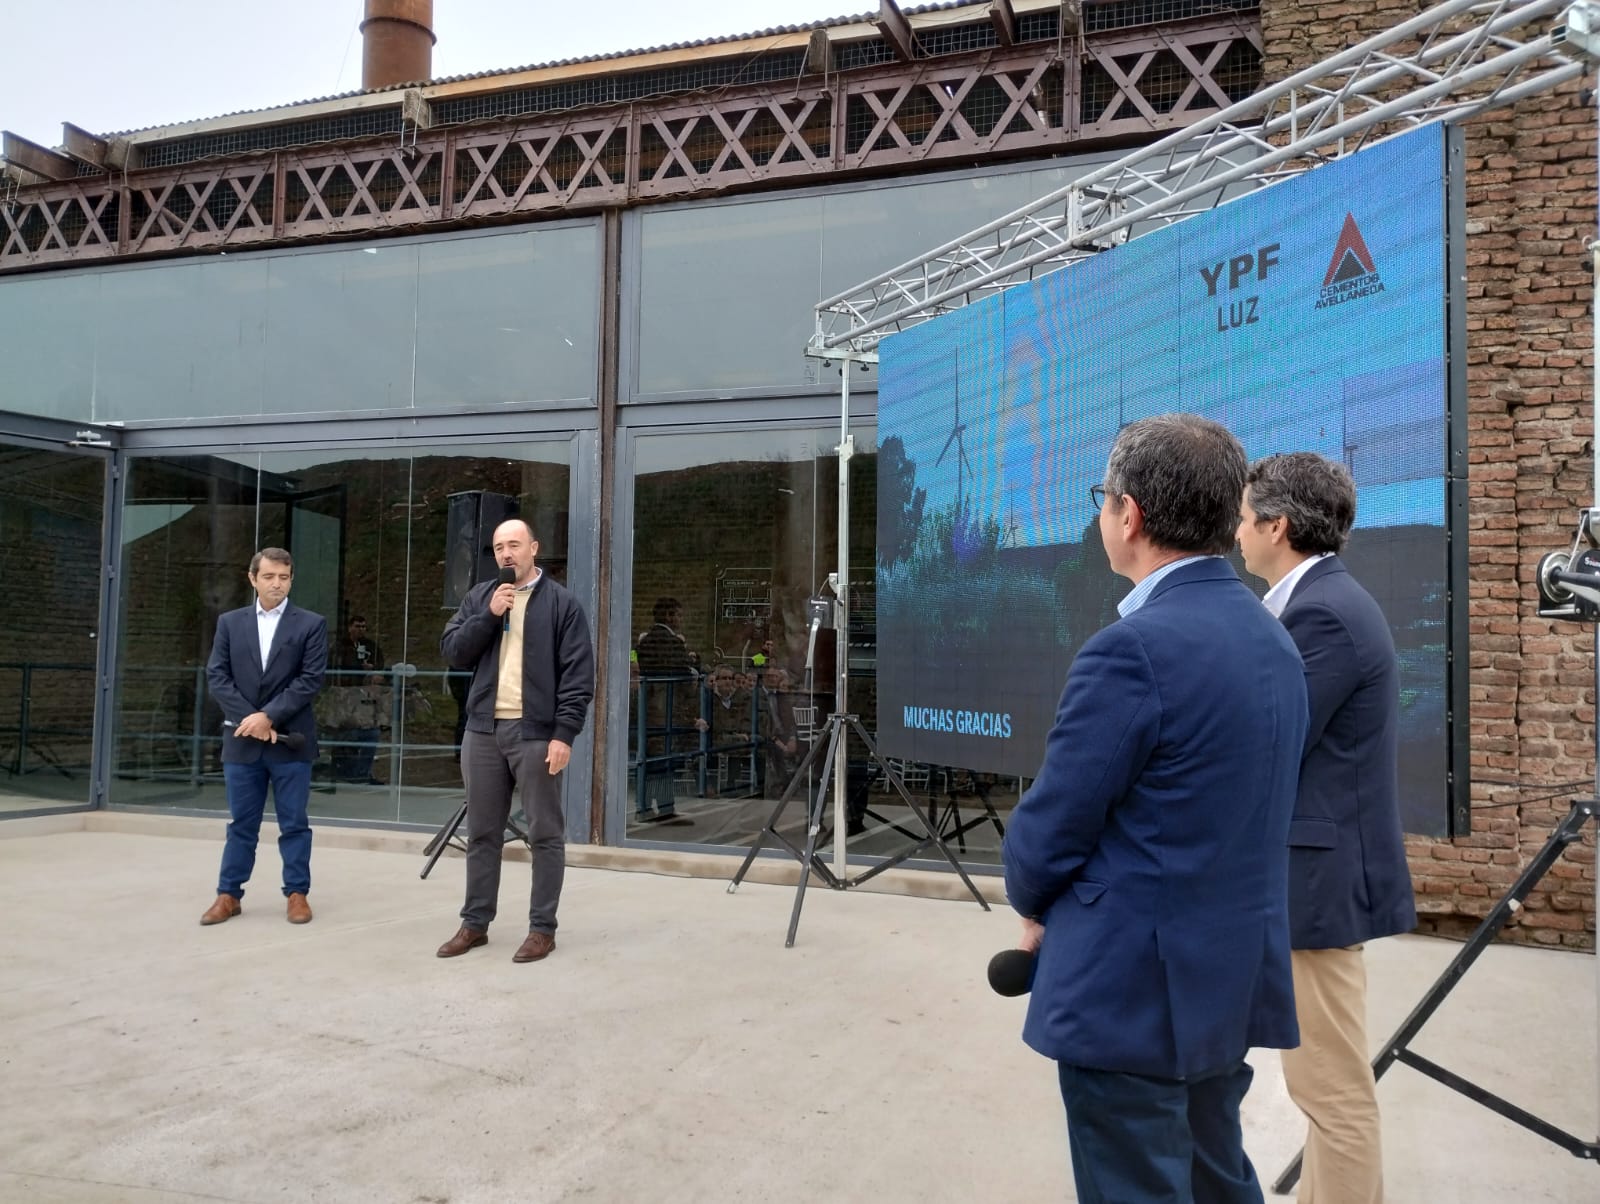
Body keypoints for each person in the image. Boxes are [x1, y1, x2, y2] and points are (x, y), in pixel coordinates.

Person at [1001, 414, 1309, 1203]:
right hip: (1224, 980)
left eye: (1104, 500)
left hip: (1132, 995)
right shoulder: (1272, 637)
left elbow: (1054, 824)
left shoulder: (1131, 650)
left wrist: (1036, 904)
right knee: (1215, 1176)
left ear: (1128, 515)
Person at [1238, 452, 1416, 1204]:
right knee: (1323, 1085)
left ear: (1277, 526)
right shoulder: (1316, 602)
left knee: (1332, 1092)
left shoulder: (1324, 615)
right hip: (1309, 876)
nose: (1236, 532)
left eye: (1245, 518)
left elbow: (1274, 739)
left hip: (1318, 883)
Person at [435, 519, 594, 963]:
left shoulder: (562, 604)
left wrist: (564, 734)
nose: (506, 554)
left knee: (545, 833)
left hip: (536, 734)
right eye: (499, 547)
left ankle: (542, 928)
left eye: (515, 545)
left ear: (534, 549)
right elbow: (453, 652)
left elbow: (579, 678)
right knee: (482, 833)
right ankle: (475, 924)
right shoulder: (481, 597)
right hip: (483, 731)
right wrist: (489, 614)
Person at [199, 548, 328, 927]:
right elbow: (217, 676)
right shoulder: (229, 623)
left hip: (290, 740)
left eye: (284, 577)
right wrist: (251, 720)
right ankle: (228, 894)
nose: (277, 584)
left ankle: (297, 894)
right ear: (252, 578)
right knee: (241, 823)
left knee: (294, 822)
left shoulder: (311, 624)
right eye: (269, 576)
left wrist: (268, 716)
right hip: (242, 741)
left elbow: (309, 680)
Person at [633, 597, 704, 823]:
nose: (681, 620)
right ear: (669, 616)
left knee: (652, 758)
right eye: (679, 615)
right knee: (663, 758)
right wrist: (694, 668)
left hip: (650, 707)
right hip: (666, 708)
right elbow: (683, 673)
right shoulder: (672, 642)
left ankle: (647, 807)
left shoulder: (644, 642)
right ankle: (664, 809)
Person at [330, 614, 385, 783]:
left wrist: (373, 671)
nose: (360, 629)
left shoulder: (370, 646)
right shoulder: (341, 647)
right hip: (345, 697)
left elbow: (380, 666)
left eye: (363, 626)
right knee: (350, 733)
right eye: (357, 626)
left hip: (365, 696)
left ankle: (362, 772)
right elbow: (336, 669)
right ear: (349, 627)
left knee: (371, 733)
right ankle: (345, 771)